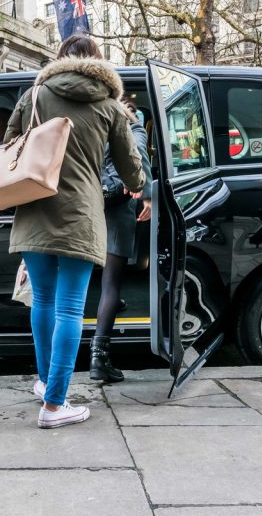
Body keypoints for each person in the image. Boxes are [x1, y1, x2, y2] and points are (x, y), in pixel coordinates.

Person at [6, 34, 145, 429]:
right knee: (69, 307)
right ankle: (54, 406)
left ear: (59, 59)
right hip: (81, 215)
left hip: (34, 205)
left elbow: (7, 141)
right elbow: (131, 168)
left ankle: (48, 383)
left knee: (43, 303)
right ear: (98, 62)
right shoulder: (110, 106)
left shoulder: (34, 95)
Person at [91, 95, 152, 382]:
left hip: (87, 207)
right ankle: (99, 358)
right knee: (111, 283)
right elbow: (137, 162)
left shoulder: (94, 123)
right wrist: (148, 195)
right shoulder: (133, 128)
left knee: (77, 280)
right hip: (117, 210)